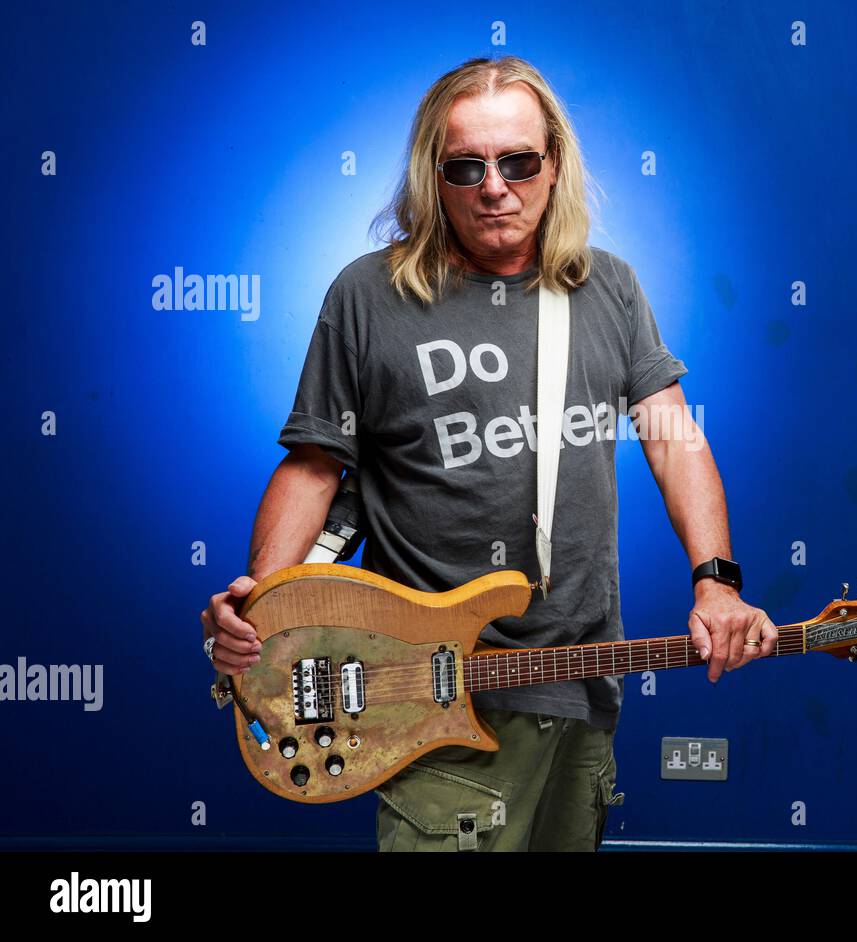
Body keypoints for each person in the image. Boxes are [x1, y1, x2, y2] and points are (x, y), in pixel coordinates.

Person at [200, 54, 776, 851]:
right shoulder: (368, 296)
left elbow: (674, 437)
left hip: (580, 683)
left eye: (518, 161)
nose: (494, 187)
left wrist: (717, 581)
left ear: (555, 165)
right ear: (434, 177)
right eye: (465, 166)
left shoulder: (608, 289)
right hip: (421, 691)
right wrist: (261, 607)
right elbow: (313, 464)